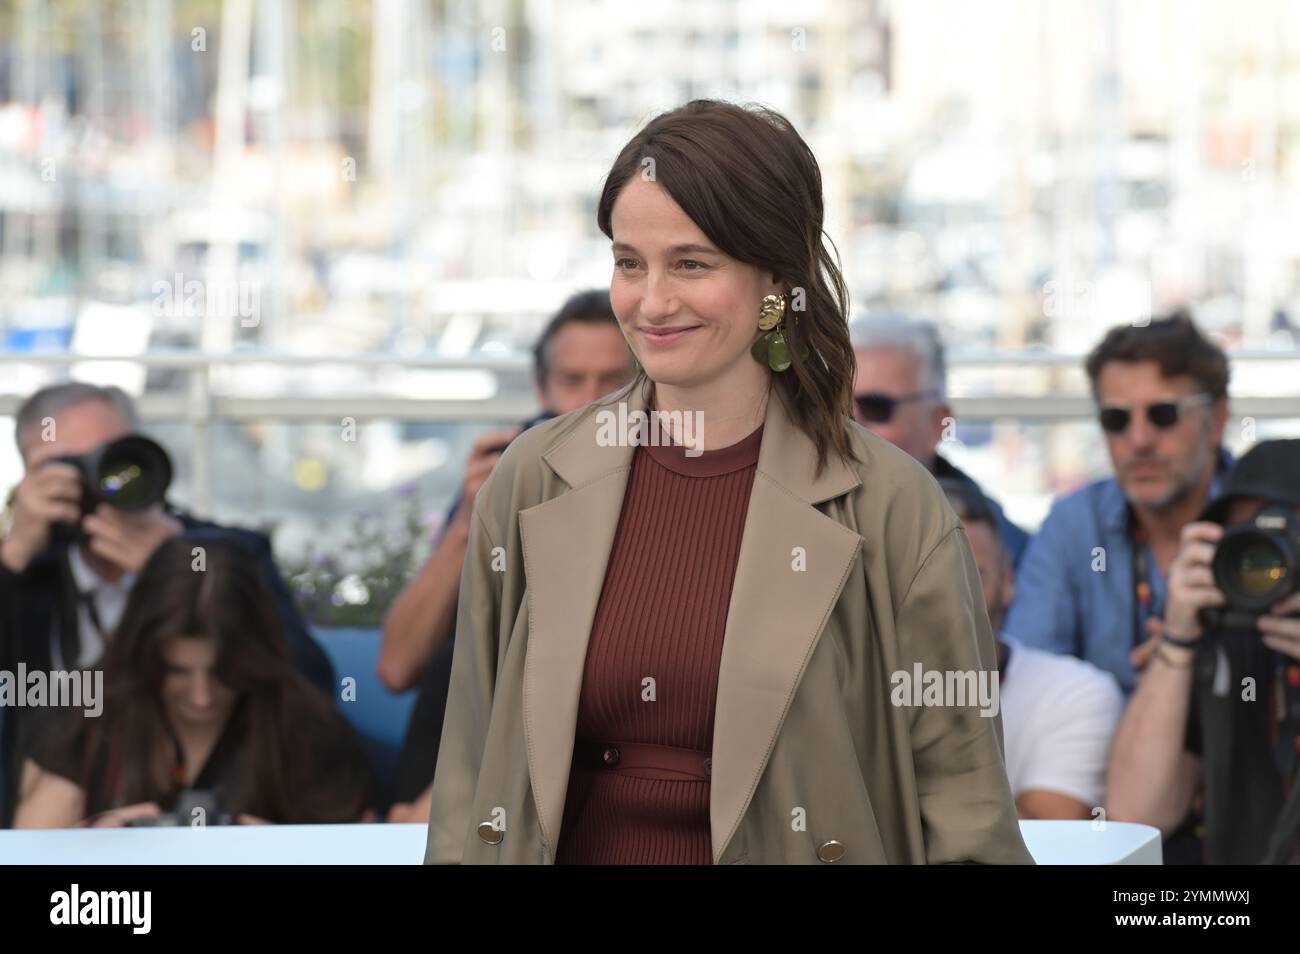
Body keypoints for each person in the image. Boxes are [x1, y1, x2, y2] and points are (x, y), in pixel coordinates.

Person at [423, 99, 1031, 865]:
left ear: (776, 279)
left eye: (691, 264)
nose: (651, 302)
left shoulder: (894, 507)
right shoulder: (535, 477)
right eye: (629, 263)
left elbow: (966, 808)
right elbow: (470, 775)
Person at [0, 383, 333, 826]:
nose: (102, 482)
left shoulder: (225, 555)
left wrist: (183, 573)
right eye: (71, 467)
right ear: (29, 477)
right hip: (52, 808)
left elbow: (312, 685)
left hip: (212, 808)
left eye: (116, 461)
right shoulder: (24, 573)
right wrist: (14, 554)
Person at [383, 290, 635, 822]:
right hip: (452, 775)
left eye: (612, 382)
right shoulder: (514, 469)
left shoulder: (666, 479)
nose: (590, 402)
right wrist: (469, 521)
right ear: (542, 389)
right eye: (572, 380)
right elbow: (396, 667)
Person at [14, 534, 376, 828]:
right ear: (144, 657)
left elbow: (362, 850)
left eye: (224, 673)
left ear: (255, 660)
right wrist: (96, 847)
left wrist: (282, 852)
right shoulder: (86, 715)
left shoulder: (308, 727)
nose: (201, 698)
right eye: (177, 671)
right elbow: (32, 851)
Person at [1002, 312, 1234, 693]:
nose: (1139, 440)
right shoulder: (1074, 525)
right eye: (1116, 419)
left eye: (1163, 414)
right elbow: (1027, 688)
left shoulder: (1268, 516)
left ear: (1218, 418)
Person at [1107, 439, 1300, 864]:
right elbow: (1136, 816)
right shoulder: (1222, 642)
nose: (1273, 560)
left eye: (1290, 533)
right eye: (1252, 538)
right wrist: (1178, 641)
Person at [938, 478, 1123, 820]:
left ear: (1008, 581)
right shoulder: (849, 687)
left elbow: (1049, 838)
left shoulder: (1072, 693)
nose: (944, 595)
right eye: (917, 575)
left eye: (970, 575)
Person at [852, 315, 1030, 567]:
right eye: (837, 408)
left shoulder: (1007, 553)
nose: (850, 426)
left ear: (937, 423)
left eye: (875, 408)